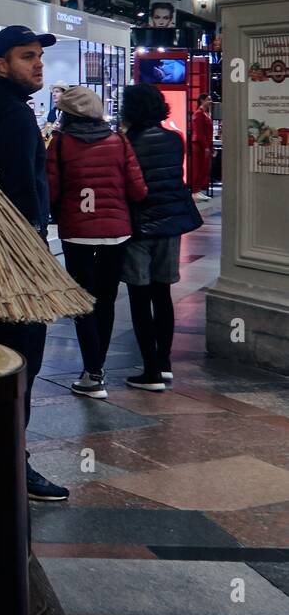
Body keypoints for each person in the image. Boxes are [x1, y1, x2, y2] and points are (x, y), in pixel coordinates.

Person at [0, 24, 68, 501]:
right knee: (21, 358)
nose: (38, 64)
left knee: (0, 357)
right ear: (1, 65)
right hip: (15, 256)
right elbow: (15, 195)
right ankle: (10, 462)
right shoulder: (10, 115)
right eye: (27, 57)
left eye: (38, 57)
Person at [46, 87, 146, 399]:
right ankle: (96, 367)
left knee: (82, 302)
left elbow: (50, 190)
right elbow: (138, 190)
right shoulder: (119, 141)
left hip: (76, 233)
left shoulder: (60, 145)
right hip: (115, 233)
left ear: (67, 114)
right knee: (105, 299)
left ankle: (93, 372)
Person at [120, 82, 203, 390]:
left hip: (138, 228)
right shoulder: (174, 140)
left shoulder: (124, 143)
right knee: (162, 294)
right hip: (170, 227)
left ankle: (150, 370)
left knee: (139, 298)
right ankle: (165, 363)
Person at [190, 94, 214, 201]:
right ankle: (195, 191)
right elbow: (199, 132)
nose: (210, 102)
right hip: (199, 145)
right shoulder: (198, 114)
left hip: (205, 145)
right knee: (198, 168)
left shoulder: (205, 113)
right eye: (208, 100)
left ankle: (198, 190)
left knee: (204, 168)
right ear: (202, 100)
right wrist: (205, 147)